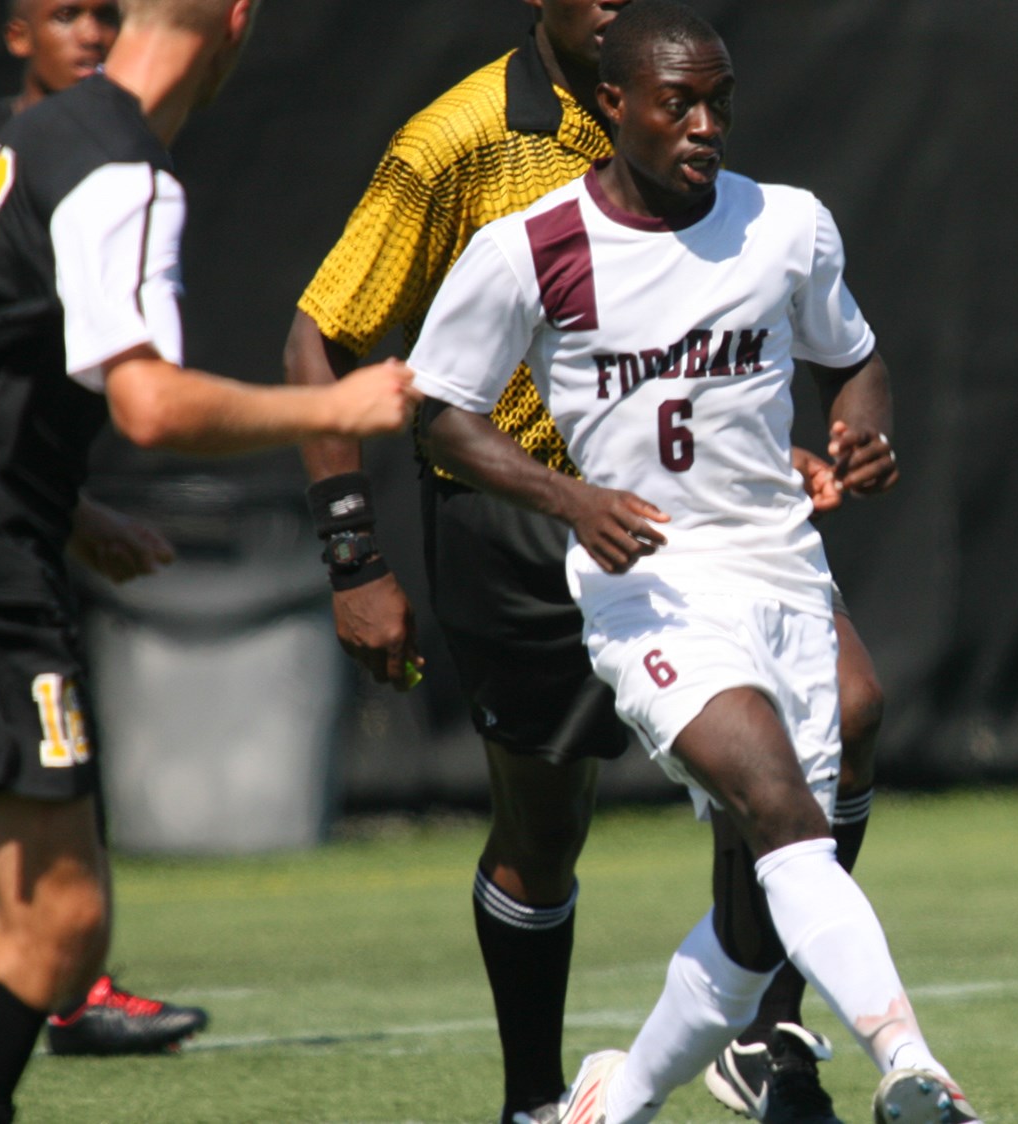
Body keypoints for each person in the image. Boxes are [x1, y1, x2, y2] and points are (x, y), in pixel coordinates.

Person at [286, 2, 886, 1120]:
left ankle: (766, 1035)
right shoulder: (456, 140)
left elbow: (722, 333)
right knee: (543, 824)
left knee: (836, 720)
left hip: (703, 529)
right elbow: (325, 335)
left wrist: (775, 439)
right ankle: (534, 1098)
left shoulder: (689, 112)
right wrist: (352, 551)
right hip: (516, 527)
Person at [404, 5, 978, 1122]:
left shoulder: (786, 224)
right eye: (679, 104)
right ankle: (911, 1063)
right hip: (653, 584)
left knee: (766, 899)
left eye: (719, 102)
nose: (705, 126)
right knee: (777, 806)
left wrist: (862, 432)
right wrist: (570, 498)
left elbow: (853, 358)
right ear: (613, 104)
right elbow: (439, 415)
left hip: (780, 562)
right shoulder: (531, 247)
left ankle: (613, 1101)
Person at [0, 0, 419, 1117]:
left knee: (53, 922)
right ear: (237, 20)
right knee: (56, 924)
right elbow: (149, 404)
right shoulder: (118, 163)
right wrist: (332, 406)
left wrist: (71, 512)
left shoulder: (35, 131)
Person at [0, 0, 210, 1060]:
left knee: (51, 888)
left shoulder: (80, 150)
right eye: (65, 12)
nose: (91, 31)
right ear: (15, 32)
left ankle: (71, 981)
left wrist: (70, 513)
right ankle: (66, 974)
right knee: (48, 903)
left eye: (106, 13)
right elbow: (144, 403)